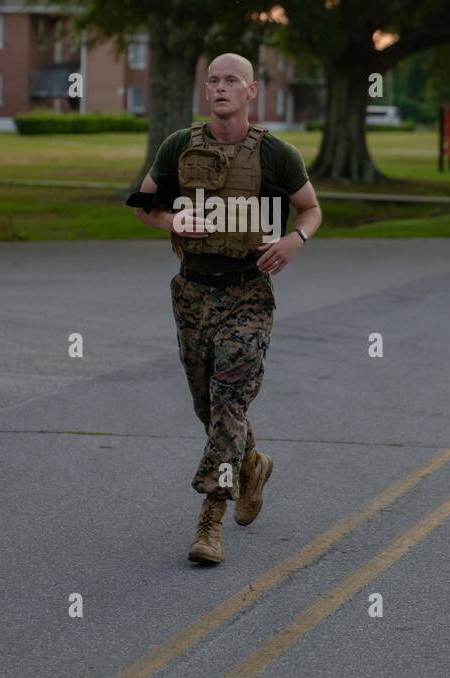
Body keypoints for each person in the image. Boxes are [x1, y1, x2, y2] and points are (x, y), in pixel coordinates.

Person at [126, 52, 322, 565]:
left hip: (248, 292)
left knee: (230, 402)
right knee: (208, 408)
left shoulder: (277, 153)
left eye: (231, 80)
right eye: (212, 80)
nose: (220, 88)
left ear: (251, 90)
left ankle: (211, 520)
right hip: (191, 291)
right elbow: (143, 207)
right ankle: (252, 464)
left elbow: (311, 207)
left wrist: (295, 240)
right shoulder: (178, 146)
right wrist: (172, 223)